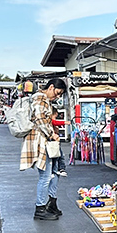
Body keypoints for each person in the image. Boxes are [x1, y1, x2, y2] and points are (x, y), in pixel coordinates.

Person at [20, 78, 67, 220]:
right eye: (57, 93)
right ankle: (40, 208)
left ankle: (51, 203)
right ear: (51, 87)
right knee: (45, 176)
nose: (57, 96)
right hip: (40, 142)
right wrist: (52, 133)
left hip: (45, 142)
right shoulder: (40, 97)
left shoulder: (45, 100)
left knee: (54, 172)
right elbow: (40, 119)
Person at [51, 107, 68, 177]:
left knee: (57, 155)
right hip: (54, 141)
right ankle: (60, 168)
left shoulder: (50, 121)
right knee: (58, 155)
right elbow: (55, 122)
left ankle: (57, 169)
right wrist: (65, 122)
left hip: (55, 141)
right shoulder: (51, 121)